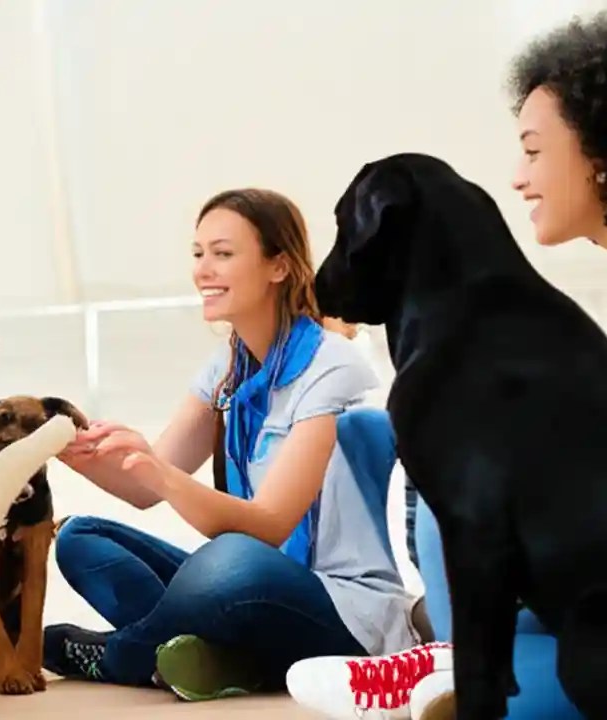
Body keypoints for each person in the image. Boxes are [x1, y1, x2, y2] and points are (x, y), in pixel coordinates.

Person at [286, 8, 607, 719]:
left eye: (535, 151)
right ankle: (453, 666)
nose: (518, 178)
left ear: (606, 149)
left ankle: (441, 675)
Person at [40, 188, 421, 702]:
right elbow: (144, 489)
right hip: (254, 587)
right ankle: (223, 658)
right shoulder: (227, 369)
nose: (203, 270)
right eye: (198, 254)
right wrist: (75, 453)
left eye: (223, 254)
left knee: (229, 562)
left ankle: (124, 656)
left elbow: (268, 524)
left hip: (342, 608)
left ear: (278, 267)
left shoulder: (333, 366)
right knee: (81, 538)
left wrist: (161, 474)